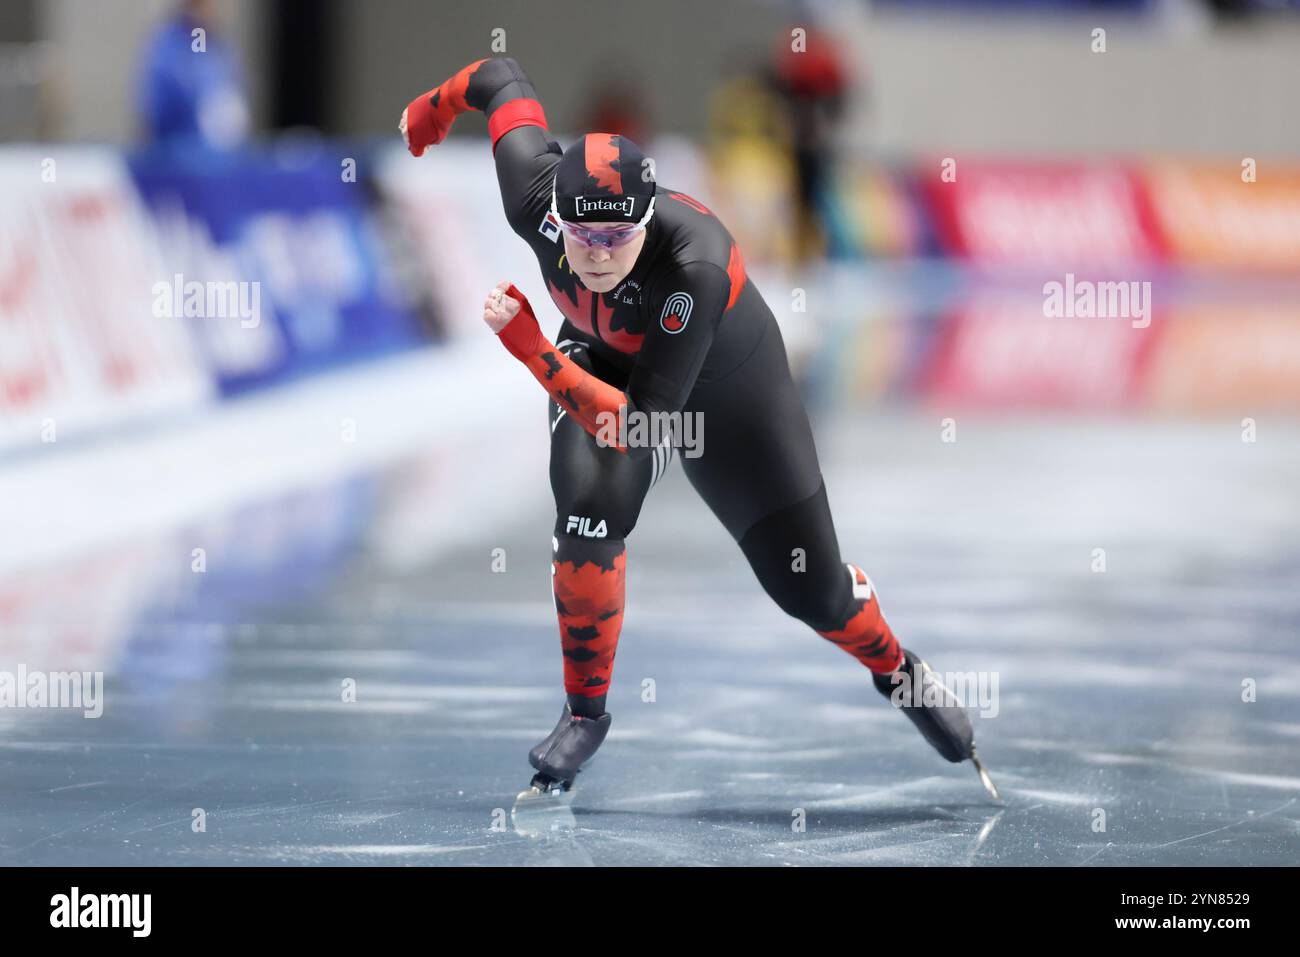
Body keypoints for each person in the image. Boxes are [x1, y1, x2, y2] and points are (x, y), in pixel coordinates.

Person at [400, 57, 999, 802]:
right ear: (555, 212)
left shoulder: (695, 266)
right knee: (587, 517)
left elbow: (643, 425)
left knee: (810, 593)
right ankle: (584, 713)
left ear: (646, 226)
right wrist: (433, 106)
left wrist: (531, 348)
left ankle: (899, 670)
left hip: (726, 395)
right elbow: (498, 77)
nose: (595, 254)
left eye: (617, 238)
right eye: (581, 234)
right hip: (602, 362)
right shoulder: (531, 192)